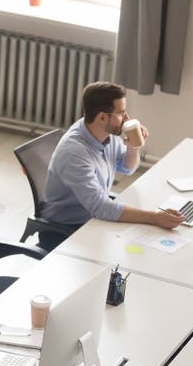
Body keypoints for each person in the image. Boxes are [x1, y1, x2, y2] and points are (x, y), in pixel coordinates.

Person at [39, 81, 184, 251]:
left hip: (92, 218)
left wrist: (133, 146)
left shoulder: (105, 133)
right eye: (121, 113)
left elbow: (126, 167)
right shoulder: (74, 152)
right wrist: (155, 217)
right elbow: (100, 207)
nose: (127, 119)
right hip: (66, 230)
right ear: (102, 117)